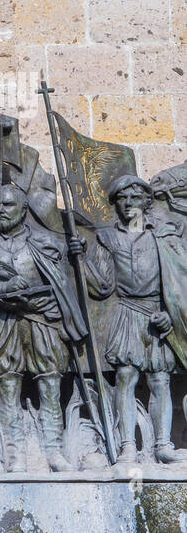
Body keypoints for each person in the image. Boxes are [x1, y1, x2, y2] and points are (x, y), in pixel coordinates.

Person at [0, 185, 84, 472]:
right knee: (7, 385)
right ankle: (14, 453)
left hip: (42, 321)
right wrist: (3, 287)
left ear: (24, 210)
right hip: (1, 324)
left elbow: (63, 286)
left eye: (7, 206)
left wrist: (77, 255)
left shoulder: (46, 243)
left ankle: (54, 451)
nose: (0, 211)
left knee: (50, 384)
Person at [74, 174, 187, 463]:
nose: (127, 203)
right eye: (122, 198)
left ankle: (163, 444)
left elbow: (176, 281)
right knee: (125, 376)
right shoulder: (107, 238)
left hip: (156, 313)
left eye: (135, 197)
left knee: (159, 379)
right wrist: (82, 261)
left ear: (147, 202)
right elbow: (102, 288)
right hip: (126, 312)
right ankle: (127, 445)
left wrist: (168, 313)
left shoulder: (162, 236)